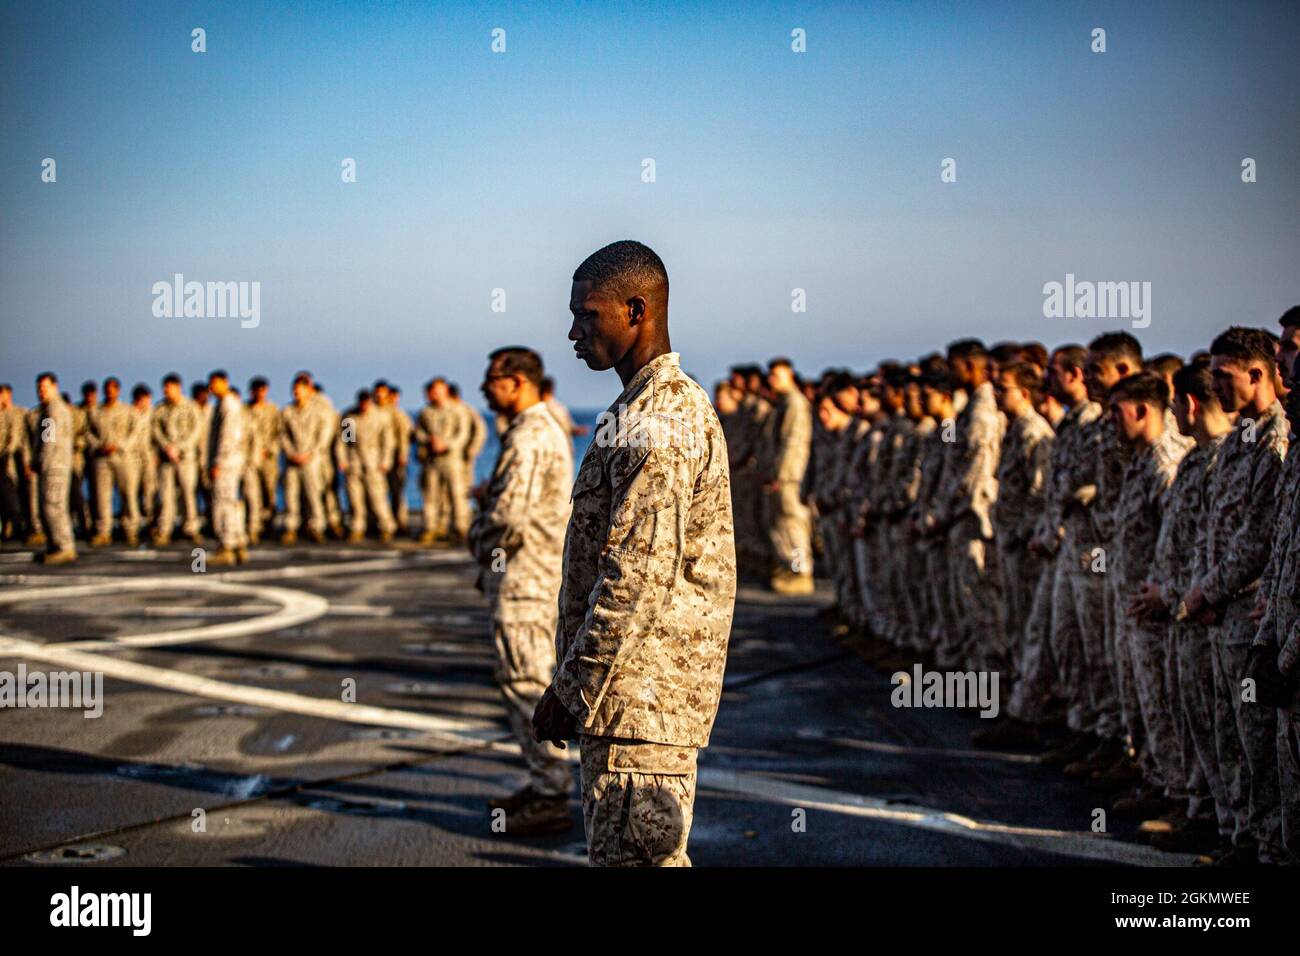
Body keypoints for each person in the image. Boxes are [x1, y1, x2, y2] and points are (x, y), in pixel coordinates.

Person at [533, 240, 736, 866]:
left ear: (636, 310)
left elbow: (636, 579)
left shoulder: (658, 424)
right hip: (628, 704)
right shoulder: (637, 409)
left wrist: (573, 688)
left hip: (640, 705)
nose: (573, 332)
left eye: (587, 315)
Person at [1184, 327, 1290, 865]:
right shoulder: (1237, 440)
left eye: (1224, 377)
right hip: (1222, 617)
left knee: (1259, 740)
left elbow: (1258, 539)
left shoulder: (1275, 441)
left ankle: (1268, 845)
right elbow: (1212, 528)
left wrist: (1207, 590)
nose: (1216, 387)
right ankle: (1240, 833)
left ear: (1256, 373)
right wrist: (1203, 593)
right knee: (1231, 733)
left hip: (1251, 618)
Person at [470, 347, 575, 834]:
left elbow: (509, 517)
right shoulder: (540, 427)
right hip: (535, 574)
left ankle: (551, 791)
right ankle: (543, 782)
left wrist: (478, 539)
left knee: (526, 683)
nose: (485, 388)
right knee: (527, 680)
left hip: (525, 579)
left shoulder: (529, 433)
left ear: (516, 382)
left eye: (493, 379)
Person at [763, 357, 814, 594]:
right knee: (782, 524)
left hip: (790, 477)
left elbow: (794, 442)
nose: (772, 380)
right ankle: (789, 566)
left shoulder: (795, 403)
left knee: (793, 524)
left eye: (777, 375)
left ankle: (800, 572)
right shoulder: (783, 403)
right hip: (783, 474)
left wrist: (782, 475)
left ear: (790, 375)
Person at [26, 372, 76, 564]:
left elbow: (49, 440)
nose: (41, 392)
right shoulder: (50, 409)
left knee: (53, 506)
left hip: (54, 465)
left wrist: (41, 462)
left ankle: (63, 546)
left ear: (54, 387)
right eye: (39, 388)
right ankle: (55, 544)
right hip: (55, 464)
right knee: (49, 506)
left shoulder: (53, 410)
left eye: (44, 387)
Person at [88, 376, 141, 546]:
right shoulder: (95, 411)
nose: (109, 393)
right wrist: (99, 446)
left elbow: (135, 432)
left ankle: (130, 529)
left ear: (118, 391)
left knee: (128, 494)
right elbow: (88, 433)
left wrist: (120, 445)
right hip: (102, 458)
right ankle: (104, 531)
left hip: (122, 457)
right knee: (102, 496)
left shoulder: (127, 411)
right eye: (107, 389)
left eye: (113, 389)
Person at [415, 378, 469, 546]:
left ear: (445, 391)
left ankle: (460, 527)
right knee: (430, 495)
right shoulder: (426, 412)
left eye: (437, 391)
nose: (433, 395)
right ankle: (430, 527)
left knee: (457, 494)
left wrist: (447, 444)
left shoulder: (458, 410)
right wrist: (428, 440)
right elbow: (418, 432)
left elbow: (463, 433)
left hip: (452, 458)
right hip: (432, 459)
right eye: (430, 392)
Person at [339, 389, 396, 543]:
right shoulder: (350, 417)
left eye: (367, 401)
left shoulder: (381, 417)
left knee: (377, 497)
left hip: (373, 461)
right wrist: (343, 459)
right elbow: (345, 442)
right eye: (362, 402)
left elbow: (387, 441)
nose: (364, 405)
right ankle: (357, 527)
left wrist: (386, 460)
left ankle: (386, 526)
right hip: (355, 461)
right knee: (355, 498)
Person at [152, 373, 203, 546]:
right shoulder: (160, 408)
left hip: (185, 458)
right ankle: (165, 529)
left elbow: (196, 431)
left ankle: (191, 528)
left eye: (169, 387)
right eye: (165, 387)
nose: (166, 390)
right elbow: (156, 430)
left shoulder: (190, 407)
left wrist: (179, 448)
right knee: (166, 496)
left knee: (188, 494)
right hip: (166, 458)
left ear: (178, 387)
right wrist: (166, 447)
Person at [206, 370, 249, 566]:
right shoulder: (226, 404)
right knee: (232, 502)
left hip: (227, 461)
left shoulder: (228, 405)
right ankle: (238, 542)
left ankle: (227, 545)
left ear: (225, 382)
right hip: (232, 460)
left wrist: (218, 462)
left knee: (224, 502)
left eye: (215, 383)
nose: (212, 387)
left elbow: (227, 437)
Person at [280, 373, 327, 545]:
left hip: (311, 459)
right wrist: (291, 453)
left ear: (309, 390)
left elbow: (324, 435)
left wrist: (311, 453)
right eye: (294, 389)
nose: (296, 393)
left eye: (300, 389)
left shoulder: (319, 411)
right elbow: (282, 435)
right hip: (292, 459)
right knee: (290, 495)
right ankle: (291, 527)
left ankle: (316, 526)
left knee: (313, 495)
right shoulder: (287, 411)